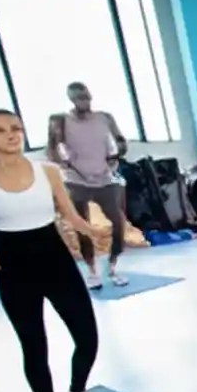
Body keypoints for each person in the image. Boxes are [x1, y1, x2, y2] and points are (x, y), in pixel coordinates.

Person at [0, 109, 109, 392]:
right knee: (34, 346)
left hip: (57, 264)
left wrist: (93, 231)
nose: (11, 135)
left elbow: (68, 214)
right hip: (15, 271)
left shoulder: (47, 172)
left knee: (87, 336)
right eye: (1, 130)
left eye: (16, 129)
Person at [46, 82, 129, 290]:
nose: (83, 101)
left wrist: (115, 154)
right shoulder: (61, 121)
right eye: (78, 98)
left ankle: (112, 266)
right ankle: (92, 270)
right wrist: (62, 162)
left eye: (86, 97)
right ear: (71, 99)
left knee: (118, 223)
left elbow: (120, 142)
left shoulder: (104, 118)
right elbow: (52, 149)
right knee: (82, 226)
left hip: (104, 178)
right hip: (77, 180)